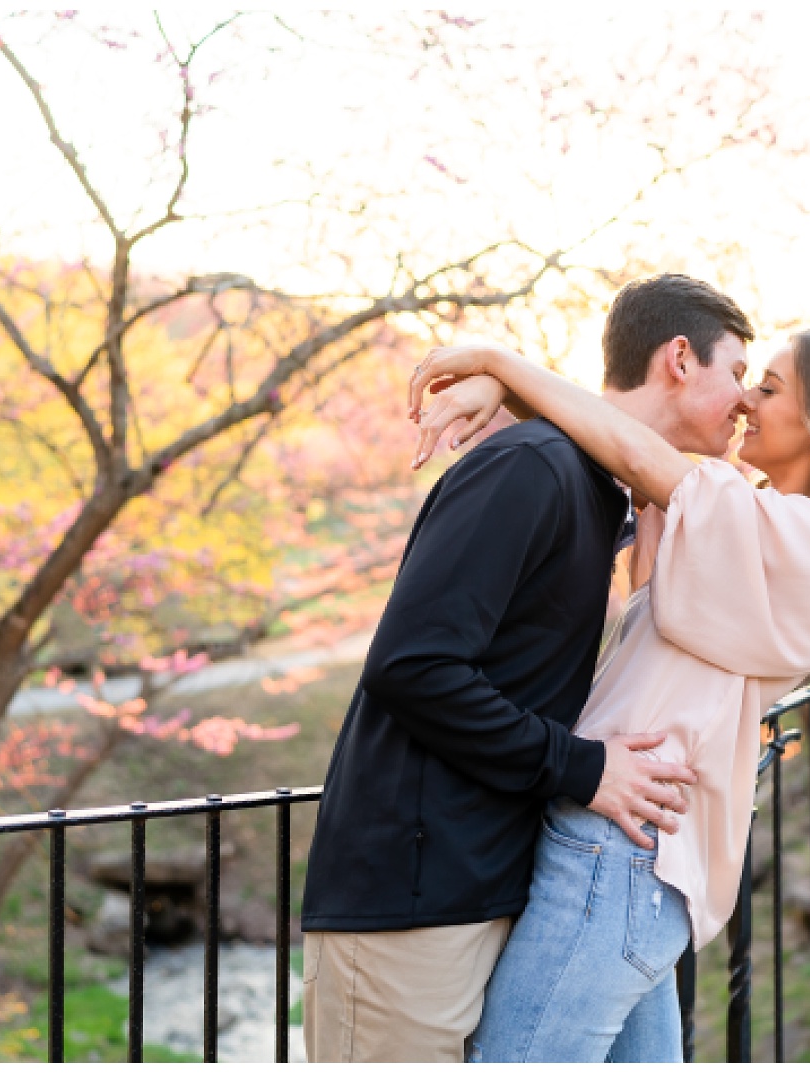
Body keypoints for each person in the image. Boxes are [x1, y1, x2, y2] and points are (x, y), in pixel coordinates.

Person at [407, 326, 810, 1062]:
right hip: (623, 851)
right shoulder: (754, 538)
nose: (746, 400)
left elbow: (643, 457)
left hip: (620, 860)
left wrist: (498, 362)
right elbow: (633, 465)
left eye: (769, 388)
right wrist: (507, 396)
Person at [299, 275, 756, 1062]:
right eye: (738, 372)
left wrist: (508, 382)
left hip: (489, 886)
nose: (746, 400)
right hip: (412, 905)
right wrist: (584, 768)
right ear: (679, 358)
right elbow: (413, 665)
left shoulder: (591, 488)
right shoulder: (533, 470)